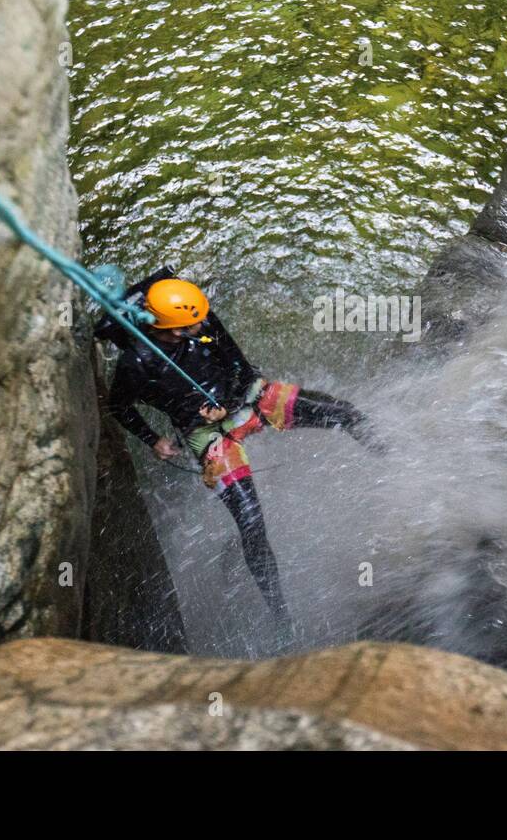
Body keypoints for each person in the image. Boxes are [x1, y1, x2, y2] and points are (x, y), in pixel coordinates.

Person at [101, 273, 378, 637]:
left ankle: (390, 455)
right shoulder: (136, 364)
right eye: (193, 324)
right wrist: (154, 440)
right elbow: (119, 406)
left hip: (247, 398)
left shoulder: (200, 322)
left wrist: (231, 401)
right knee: (251, 524)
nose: (204, 324)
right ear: (172, 330)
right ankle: (281, 616)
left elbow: (239, 365)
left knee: (346, 414)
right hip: (207, 435)